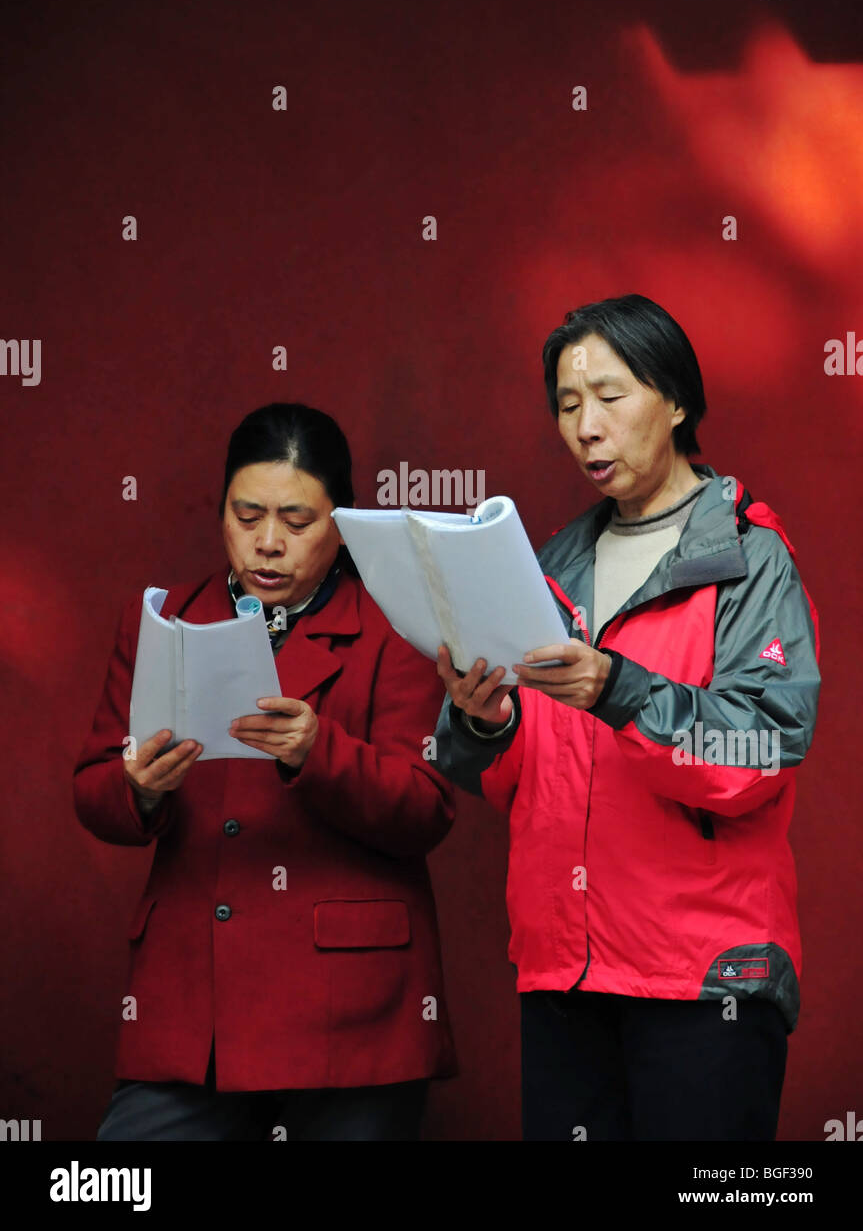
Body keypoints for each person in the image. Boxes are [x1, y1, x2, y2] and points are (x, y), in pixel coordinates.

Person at [432, 294, 820, 1142]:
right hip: (565, 971)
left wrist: (617, 689)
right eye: (567, 406)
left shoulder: (747, 556)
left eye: (609, 396)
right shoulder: (549, 564)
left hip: (704, 976)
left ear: (675, 400)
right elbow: (514, 778)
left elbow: (757, 750)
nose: (584, 427)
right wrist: (484, 722)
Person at [74, 402, 457, 1141]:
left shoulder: (394, 625)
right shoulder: (163, 618)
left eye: (297, 520)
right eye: (246, 516)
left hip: (349, 1005)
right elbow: (90, 787)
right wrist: (139, 790)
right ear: (220, 510)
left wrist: (320, 754)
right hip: (192, 1001)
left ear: (339, 524)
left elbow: (427, 808)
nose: (268, 543)